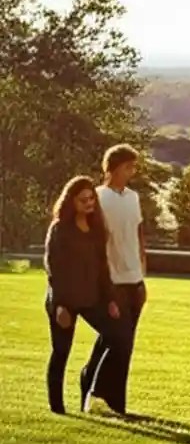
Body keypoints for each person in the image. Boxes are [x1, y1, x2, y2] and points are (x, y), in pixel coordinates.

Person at [44, 176, 126, 415]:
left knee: (116, 334)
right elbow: (53, 269)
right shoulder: (60, 229)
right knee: (61, 351)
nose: (89, 203)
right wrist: (59, 306)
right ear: (71, 202)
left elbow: (103, 268)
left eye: (92, 198)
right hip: (64, 301)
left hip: (91, 298)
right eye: (83, 200)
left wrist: (110, 300)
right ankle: (57, 408)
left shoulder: (97, 229)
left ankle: (88, 375)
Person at [81, 144, 147, 415]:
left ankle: (106, 396)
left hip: (134, 279)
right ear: (113, 168)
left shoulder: (133, 197)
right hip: (112, 280)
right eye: (128, 166)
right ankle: (99, 394)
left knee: (120, 341)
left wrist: (143, 272)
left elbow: (139, 233)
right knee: (119, 340)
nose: (132, 172)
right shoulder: (96, 199)